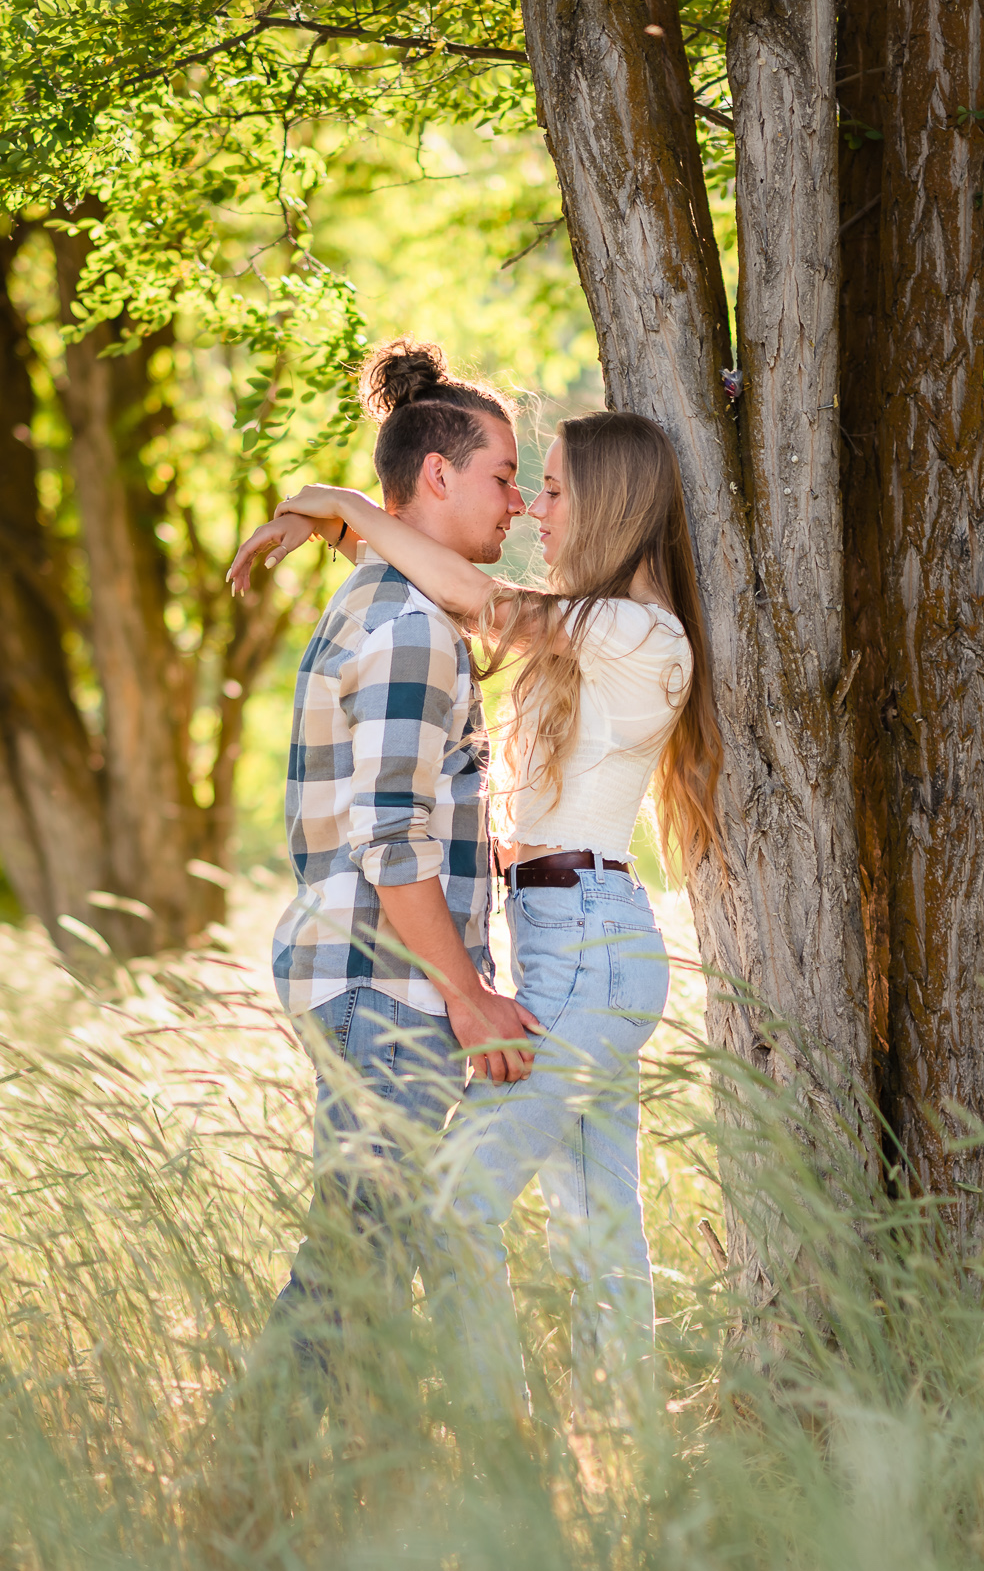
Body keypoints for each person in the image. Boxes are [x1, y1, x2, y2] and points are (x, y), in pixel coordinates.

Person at [238, 408, 722, 1413]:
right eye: (522, 483)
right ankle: (620, 1450)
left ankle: (503, 1442)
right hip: (563, 935)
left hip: (586, 939)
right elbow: (443, 596)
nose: (533, 508)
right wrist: (344, 529)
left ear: (610, 506)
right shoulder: (592, 628)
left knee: (455, 1201)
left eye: (552, 489)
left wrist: (345, 506)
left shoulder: (637, 631)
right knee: (598, 1222)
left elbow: (473, 599)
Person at [227, 340, 543, 1399]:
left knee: (366, 1259)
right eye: (503, 476)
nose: (516, 504)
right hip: (387, 984)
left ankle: (329, 1472)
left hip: (374, 980)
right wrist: (469, 993)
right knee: (354, 1267)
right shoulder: (409, 628)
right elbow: (393, 837)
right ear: (437, 474)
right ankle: (248, 1469)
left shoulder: (388, 603)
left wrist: (338, 511)